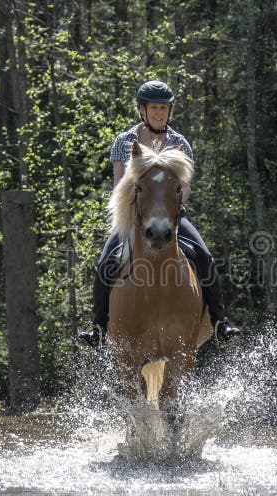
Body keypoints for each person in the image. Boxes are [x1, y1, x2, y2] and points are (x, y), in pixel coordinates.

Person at [77, 80, 241, 347]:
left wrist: (172, 200)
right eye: (154, 107)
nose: (159, 113)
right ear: (142, 109)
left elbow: (185, 186)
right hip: (135, 215)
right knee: (105, 262)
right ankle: (97, 327)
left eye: (164, 108)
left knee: (204, 256)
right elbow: (119, 183)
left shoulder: (179, 143)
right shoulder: (124, 142)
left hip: (173, 214)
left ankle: (220, 322)